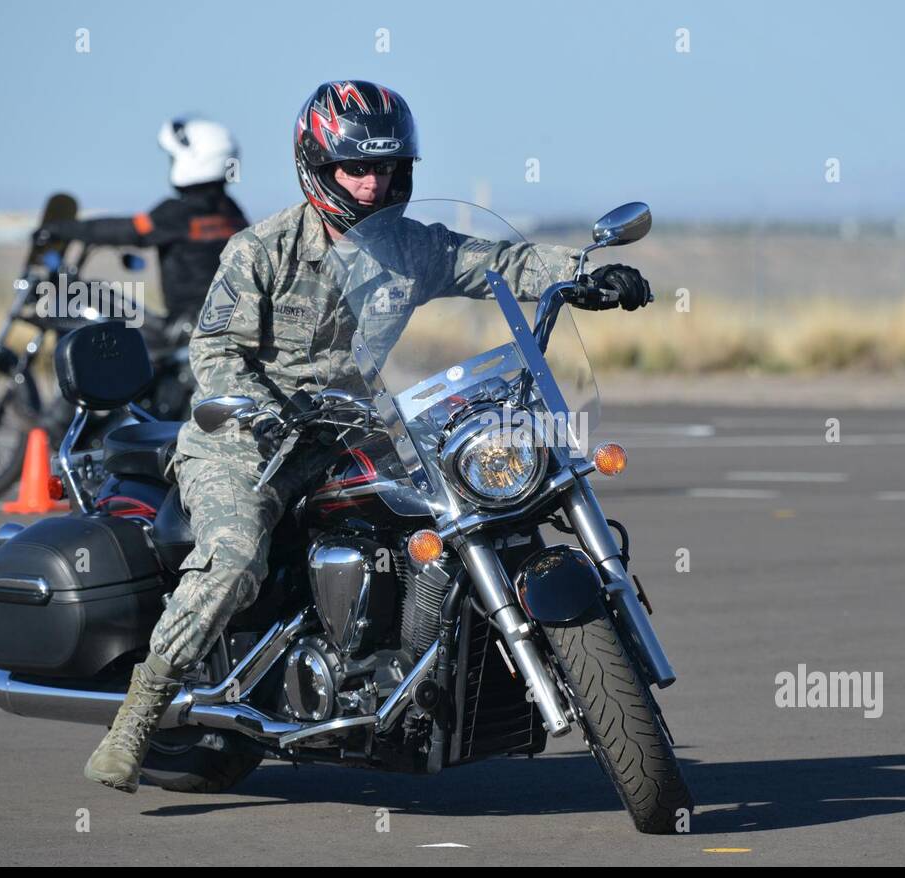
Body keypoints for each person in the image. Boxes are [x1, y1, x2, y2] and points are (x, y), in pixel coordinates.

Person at [82, 80, 652, 794]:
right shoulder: (260, 250)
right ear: (318, 170)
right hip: (247, 437)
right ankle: (137, 717)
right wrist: (264, 407)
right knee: (232, 556)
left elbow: (499, 264)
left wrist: (584, 278)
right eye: (356, 167)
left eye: (384, 167)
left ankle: (413, 668)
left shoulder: (406, 247)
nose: (372, 181)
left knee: (472, 498)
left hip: (351, 429)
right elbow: (215, 354)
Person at [38, 117, 248, 352]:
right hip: (222, 322)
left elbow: (129, 229)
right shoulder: (232, 212)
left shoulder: (178, 212)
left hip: (187, 327)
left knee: (96, 303)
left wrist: (63, 229)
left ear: (195, 160)